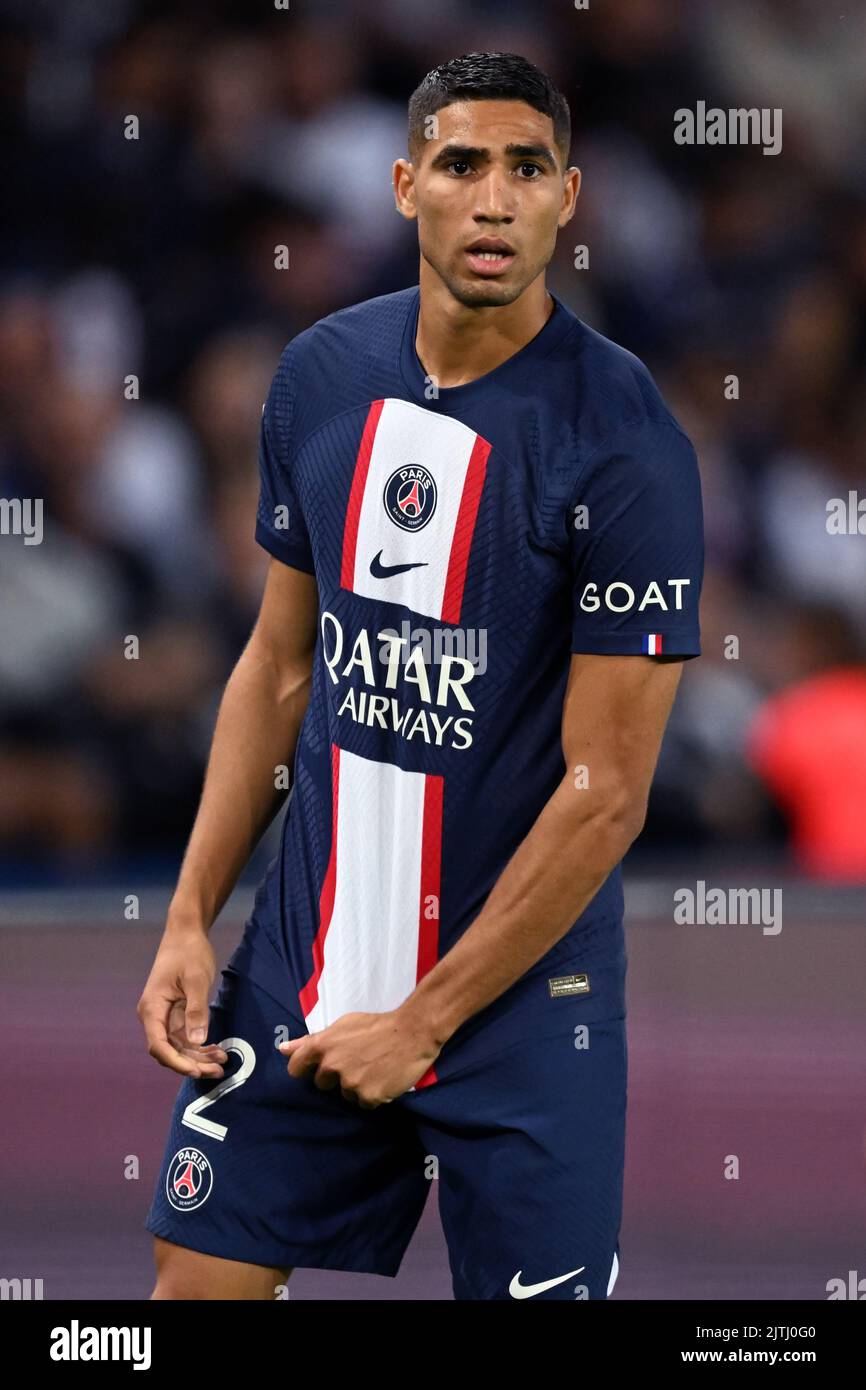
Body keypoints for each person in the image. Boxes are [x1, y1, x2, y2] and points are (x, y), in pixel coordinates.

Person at [139, 51, 704, 1301]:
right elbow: (279, 667)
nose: (492, 200)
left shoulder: (625, 447)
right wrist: (189, 916)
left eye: (525, 169)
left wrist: (424, 1020)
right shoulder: (320, 376)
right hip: (307, 960)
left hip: (516, 1005)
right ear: (405, 187)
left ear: (570, 196)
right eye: (461, 165)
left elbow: (605, 793)